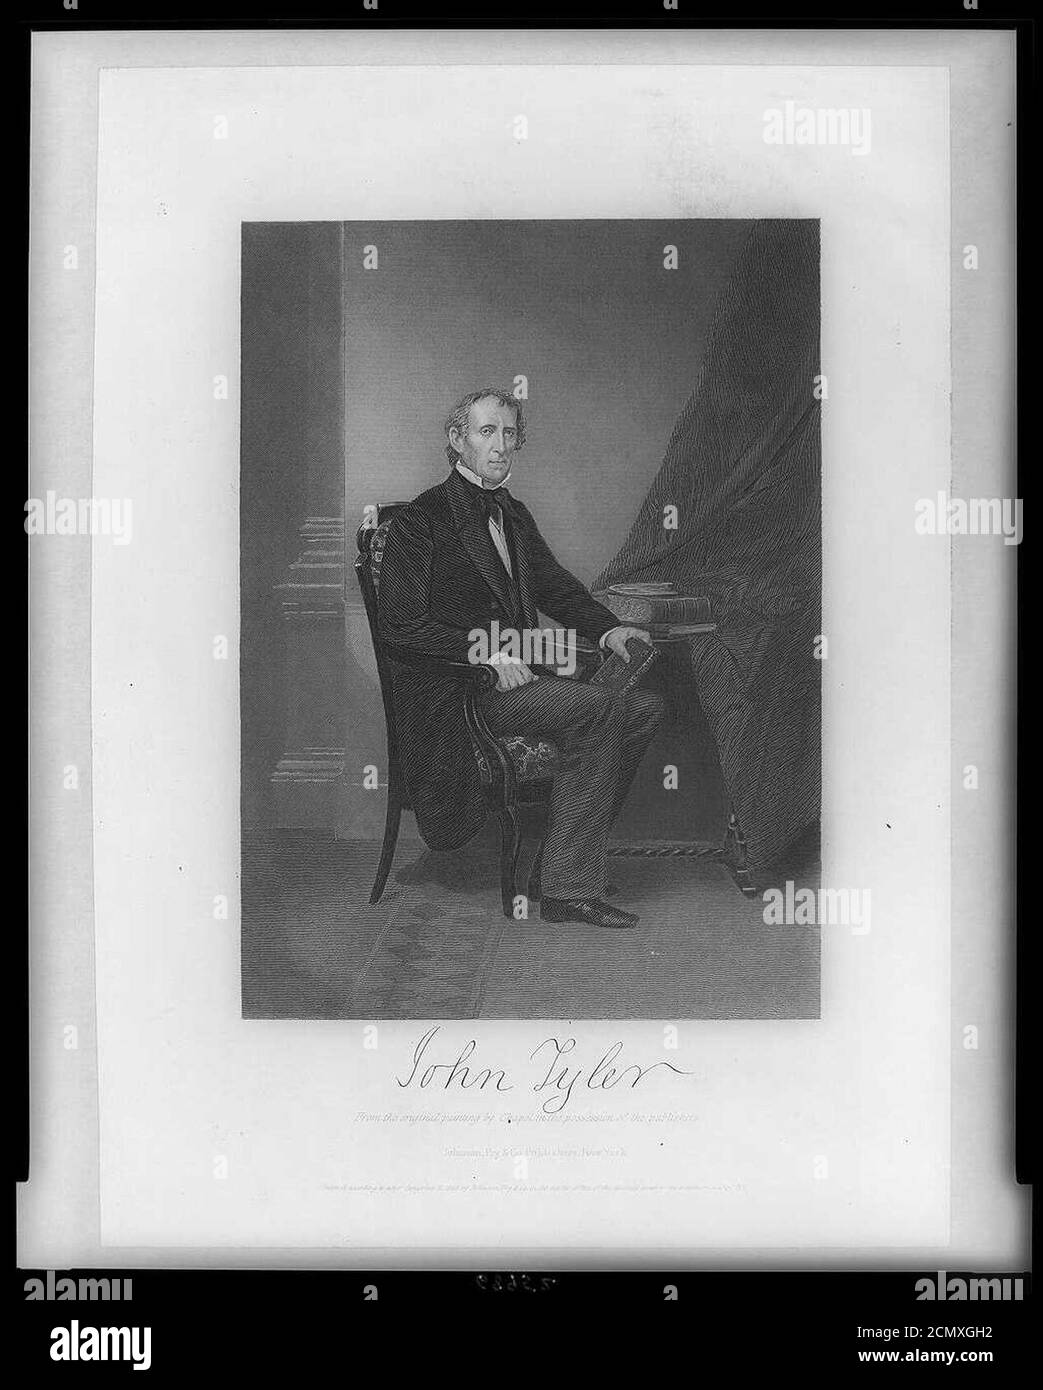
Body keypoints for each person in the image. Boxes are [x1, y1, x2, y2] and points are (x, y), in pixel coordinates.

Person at [376, 388, 663, 930]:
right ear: (457, 440)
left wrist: (607, 633)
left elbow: (554, 587)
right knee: (602, 709)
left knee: (642, 708)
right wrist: (481, 652)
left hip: (517, 678)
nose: (501, 446)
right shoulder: (423, 520)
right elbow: (402, 627)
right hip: (458, 695)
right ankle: (566, 888)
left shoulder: (512, 513)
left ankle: (565, 861)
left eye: (509, 434)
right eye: (487, 432)